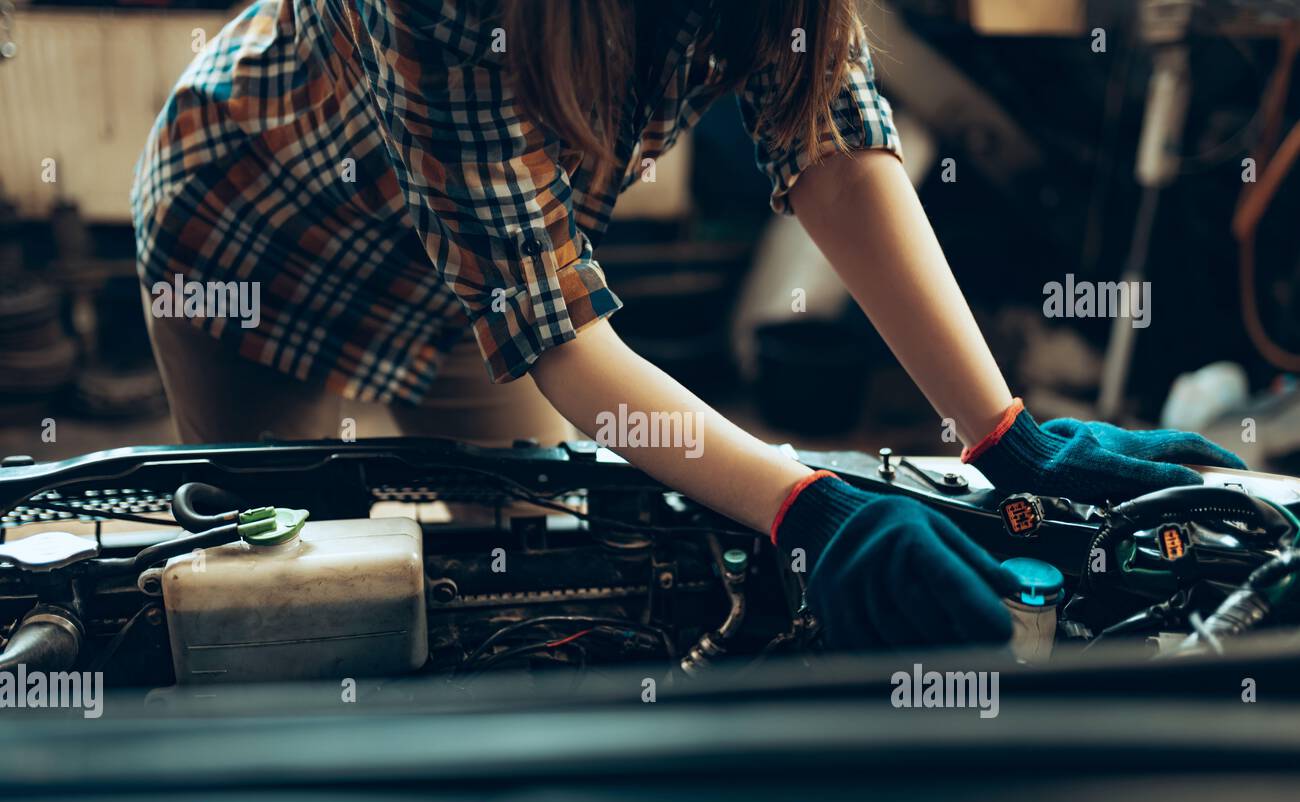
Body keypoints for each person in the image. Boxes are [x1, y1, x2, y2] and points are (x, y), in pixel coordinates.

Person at [130, 0, 1245, 649]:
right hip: (260, 244)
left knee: (519, 569)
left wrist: (999, 431)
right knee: (278, 590)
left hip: (476, 293)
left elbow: (833, 149)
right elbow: (562, 335)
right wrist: (806, 509)